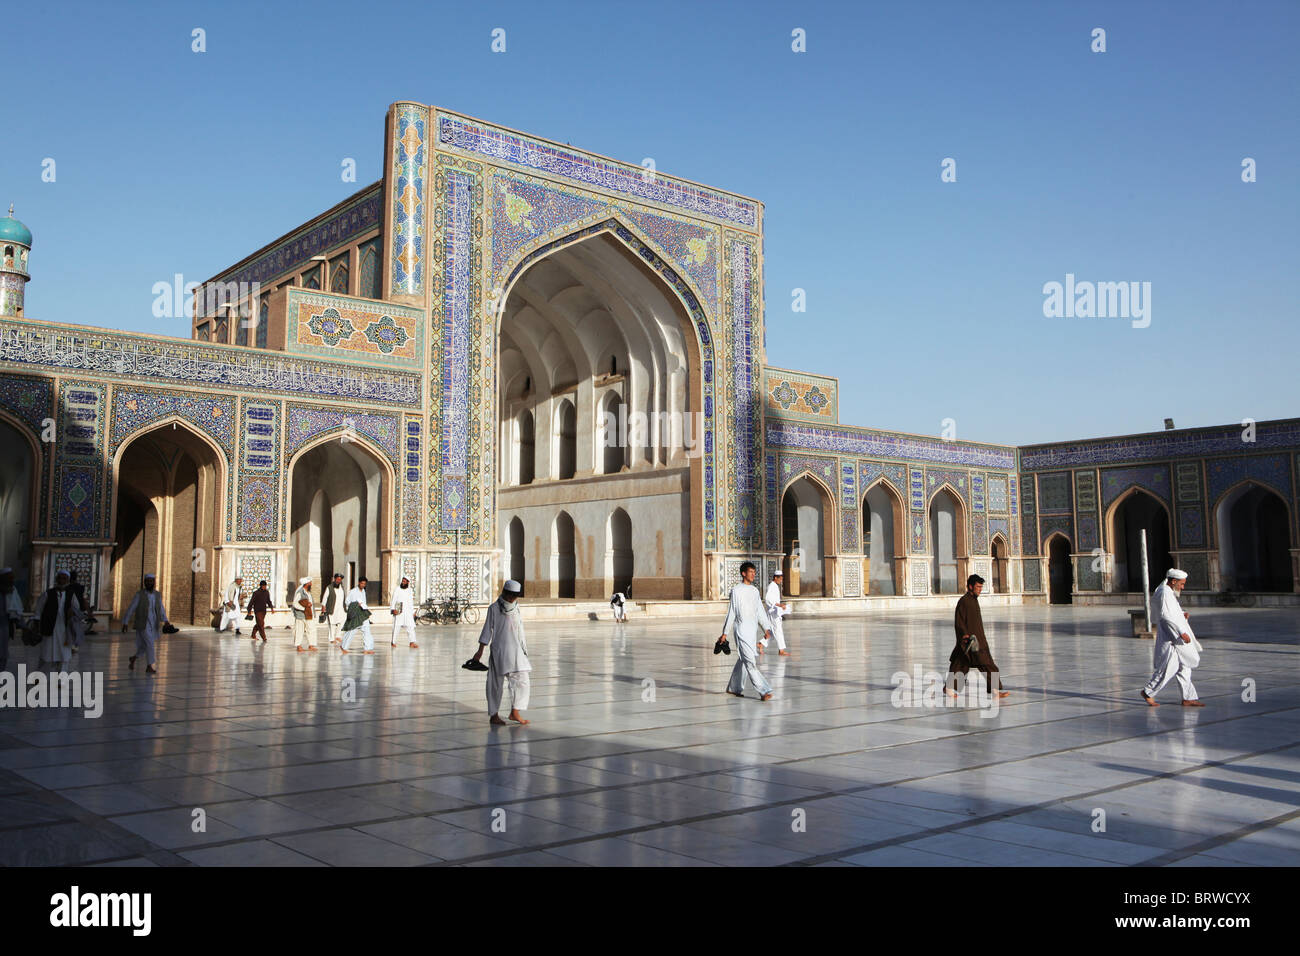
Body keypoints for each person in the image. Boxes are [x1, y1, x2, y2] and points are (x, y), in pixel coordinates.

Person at [468, 579, 531, 725]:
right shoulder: (494, 608)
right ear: (505, 593)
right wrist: (479, 651)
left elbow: (519, 629)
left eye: (515, 596)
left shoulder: (515, 607)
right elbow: (487, 630)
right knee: (495, 684)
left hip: (516, 651)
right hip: (499, 650)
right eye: (510, 595)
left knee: (522, 681)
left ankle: (515, 711)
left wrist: (524, 648)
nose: (512, 598)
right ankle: (494, 715)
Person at [1141, 568, 1204, 707]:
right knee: (1169, 668)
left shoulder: (1168, 592)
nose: (1183, 587)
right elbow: (1166, 616)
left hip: (1176, 636)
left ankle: (1188, 697)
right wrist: (1180, 632)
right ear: (1173, 581)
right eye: (1181, 584)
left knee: (1185, 668)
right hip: (1172, 639)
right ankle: (1148, 692)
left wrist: (1182, 614)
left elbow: (1172, 611)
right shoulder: (1165, 593)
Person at [719, 561, 776, 701]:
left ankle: (734, 688)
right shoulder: (736, 591)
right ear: (743, 573)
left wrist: (766, 627)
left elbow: (760, 611)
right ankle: (764, 690)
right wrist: (725, 632)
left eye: (754, 572)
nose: (753, 574)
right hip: (741, 630)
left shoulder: (755, 591)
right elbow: (731, 612)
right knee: (750, 662)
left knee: (744, 659)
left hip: (751, 630)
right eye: (751, 572)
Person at [946, 574, 1009, 700]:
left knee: (986, 665)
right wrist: (964, 636)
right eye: (978, 587)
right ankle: (948, 689)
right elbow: (959, 621)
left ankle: (996, 692)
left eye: (981, 587)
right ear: (970, 586)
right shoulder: (964, 601)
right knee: (964, 665)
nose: (980, 589)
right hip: (970, 641)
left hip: (979, 640)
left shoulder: (973, 600)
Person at [122, 573, 168, 674]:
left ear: (154, 582)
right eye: (147, 581)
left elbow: (161, 608)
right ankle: (149, 666)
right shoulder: (139, 594)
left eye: (151, 581)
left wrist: (166, 621)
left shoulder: (157, 595)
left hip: (154, 623)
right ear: (144, 582)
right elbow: (131, 608)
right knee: (150, 644)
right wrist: (125, 622)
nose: (149, 583)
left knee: (144, 646)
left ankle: (133, 658)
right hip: (142, 624)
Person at [38, 570, 80, 666]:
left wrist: (72, 613)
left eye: (64, 579)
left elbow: (77, 610)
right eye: (60, 578)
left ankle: (61, 679)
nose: (62, 581)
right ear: (57, 579)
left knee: (64, 656)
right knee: (47, 654)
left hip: (64, 630)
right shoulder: (48, 593)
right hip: (50, 628)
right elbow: (38, 610)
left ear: (68, 580)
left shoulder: (71, 595)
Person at [759, 569, 790, 656]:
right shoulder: (772, 586)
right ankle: (781, 650)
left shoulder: (775, 586)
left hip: (776, 612)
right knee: (778, 631)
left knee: (772, 633)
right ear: (775, 578)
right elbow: (768, 599)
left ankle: (761, 644)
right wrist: (780, 605)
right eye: (780, 578)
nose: (781, 580)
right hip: (773, 613)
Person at [340, 576, 374, 654]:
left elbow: (364, 602)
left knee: (367, 630)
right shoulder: (353, 592)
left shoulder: (363, 592)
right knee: (351, 631)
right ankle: (344, 646)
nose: (363, 585)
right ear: (359, 583)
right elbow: (347, 602)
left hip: (363, 613)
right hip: (355, 614)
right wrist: (356, 604)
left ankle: (367, 648)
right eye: (362, 583)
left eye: (364, 584)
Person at [2, 567, 22, 670]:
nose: (11, 580)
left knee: (3, 655)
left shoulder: (12, 590)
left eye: (12, 578)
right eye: (9, 578)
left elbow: (16, 609)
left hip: (5, 627)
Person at [390, 576, 418, 648]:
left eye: (404, 581)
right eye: (402, 581)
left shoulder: (410, 590)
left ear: (408, 582)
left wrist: (413, 612)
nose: (403, 582)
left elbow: (410, 602)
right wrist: (393, 609)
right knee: (396, 627)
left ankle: (412, 642)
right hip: (399, 610)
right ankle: (393, 642)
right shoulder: (397, 589)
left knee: (410, 627)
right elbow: (393, 600)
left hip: (408, 611)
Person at [292, 576, 317, 652]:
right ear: (306, 584)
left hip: (309, 615)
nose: (311, 584)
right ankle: (298, 646)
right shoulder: (300, 592)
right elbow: (295, 603)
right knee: (299, 630)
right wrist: (303, 609)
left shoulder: (308, 592)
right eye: (310, 583)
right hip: (301, 615)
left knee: (311, 629)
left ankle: (311, 645)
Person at [67, 569, 88, 651]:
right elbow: (84, 600)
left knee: (70, 628)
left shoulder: (67, 588)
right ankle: (75, 645)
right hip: (78, 611)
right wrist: (88, 611)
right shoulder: (81, 588)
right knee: (77, 628)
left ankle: (72, 644)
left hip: (70, 611)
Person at [322, 573, 346, 644]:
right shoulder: (329, 587)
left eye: (340, 579)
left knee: (342, 621)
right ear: (334, 579)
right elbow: (325, 598)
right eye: (337, 579)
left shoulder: (342, 587)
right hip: (332, 608)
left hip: (341, 608)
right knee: (332, 624)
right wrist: (323, 607)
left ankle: (338, 636)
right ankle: (331, 639)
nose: (339, 580)